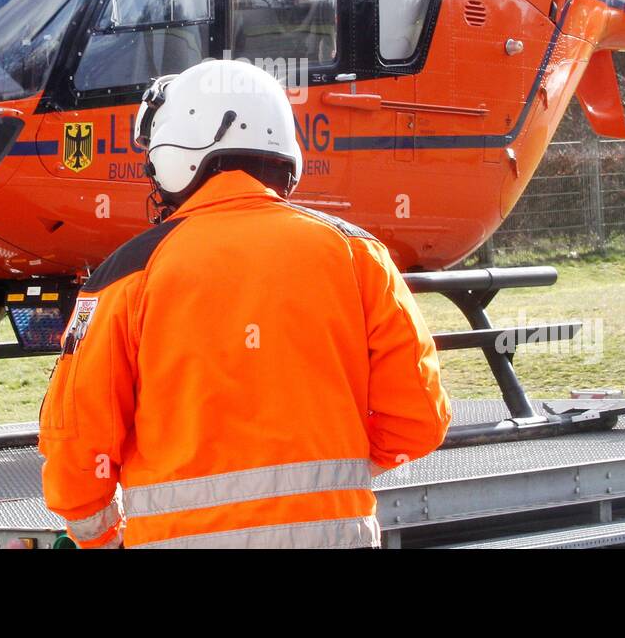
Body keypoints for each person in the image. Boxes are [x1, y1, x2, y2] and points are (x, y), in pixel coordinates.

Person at [38, 59, 451, 548]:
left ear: (177, 154)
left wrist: (99, 535)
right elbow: (418, 419)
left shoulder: (127, 275)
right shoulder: (358, 255)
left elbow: (78, 440)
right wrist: (329, 478)